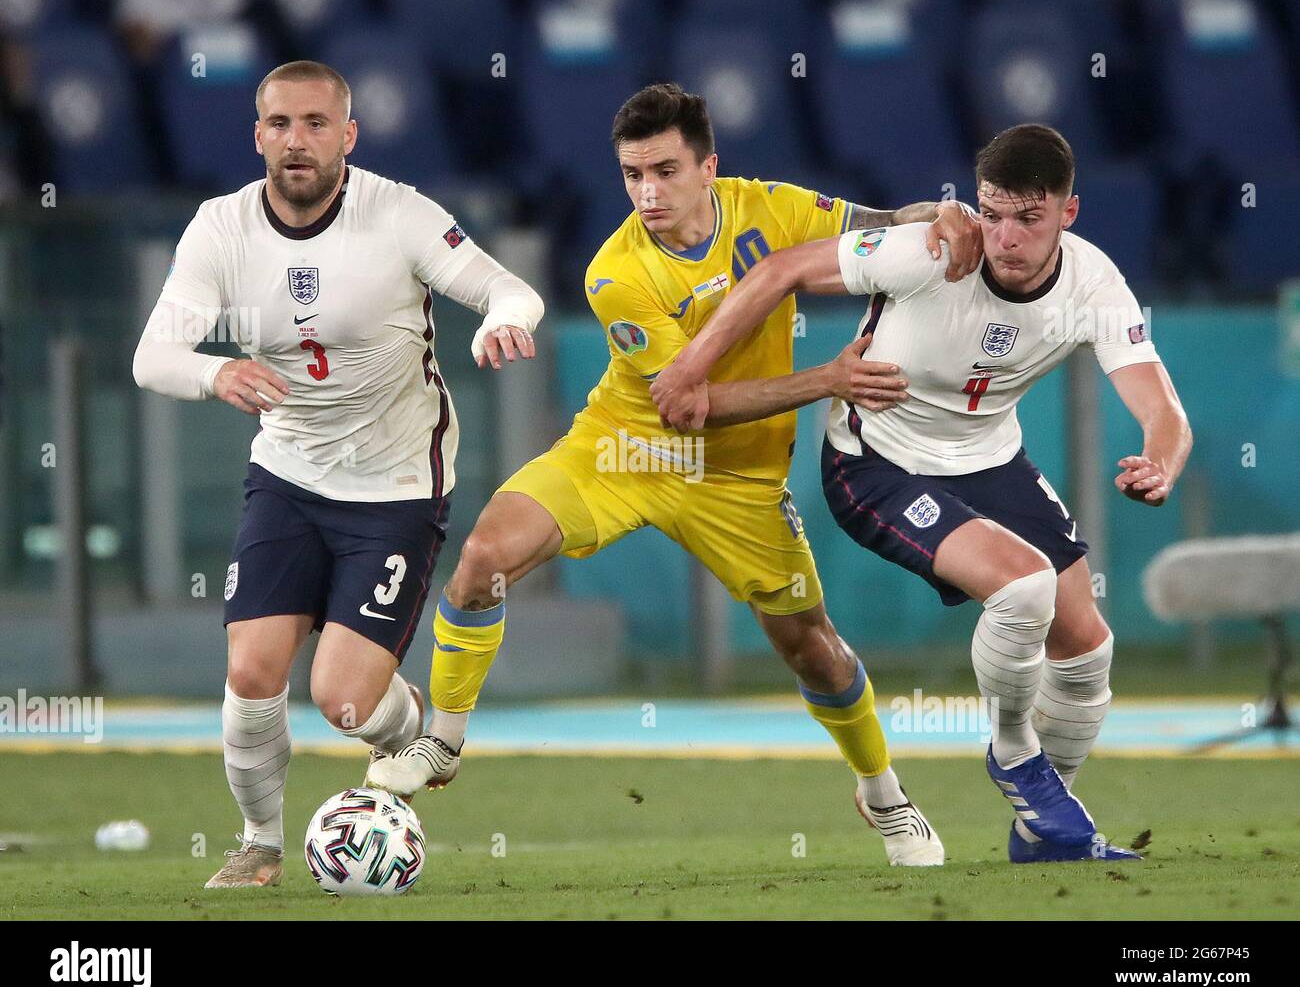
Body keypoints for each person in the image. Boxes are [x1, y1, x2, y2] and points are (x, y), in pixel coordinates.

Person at [366, 83, 982, 867]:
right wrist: (825, 380)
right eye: (632, 175)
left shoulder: (770, 207)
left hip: (740, 480)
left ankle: (884, 794)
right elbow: (687, 407)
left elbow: (876, 229)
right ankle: (444, 740)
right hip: (625, 449)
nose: (647, 192)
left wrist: (940, 213)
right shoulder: (614, 273)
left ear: (708, 167)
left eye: (664, 170)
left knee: (811, 648)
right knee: (485, 555)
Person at [651, 123, 1193, 862]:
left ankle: (1044, 827)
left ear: (1068, 214)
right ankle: (1012, 751)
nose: (1003, 236)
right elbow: (779, 270)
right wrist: (690, 369)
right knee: (1025, 588)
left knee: (1088, 651)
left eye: (1028, 219)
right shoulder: (931, 250)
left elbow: (1163, 410)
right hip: (876, 460)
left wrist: (1160, 462)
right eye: (992, 212)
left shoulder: (1095, 284)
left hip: (990, 460)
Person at [132, 60, 544, 887]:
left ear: (348, 136)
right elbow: (153, 356)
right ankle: (258, 843)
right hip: (287, 473)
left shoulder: (397, 214)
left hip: (396, 486)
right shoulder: (219, 228)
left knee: (343, 701)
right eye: (280, 124)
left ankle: (411, 723)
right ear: (258, 136)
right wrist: (218, 374)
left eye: (317, 124)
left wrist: (501, 322)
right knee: (250, 672)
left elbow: (513, 291)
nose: (298, 141)